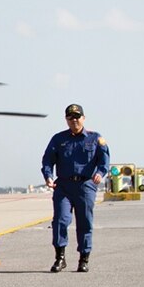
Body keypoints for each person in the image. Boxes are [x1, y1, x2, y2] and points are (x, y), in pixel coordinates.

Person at [41, 103, 108, 273]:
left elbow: (104, 160)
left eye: (77, 117)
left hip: (86, 186)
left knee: (84, 222)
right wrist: (48, 176)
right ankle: (60, 258)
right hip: (63, 185)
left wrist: (100, 173)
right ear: (66, 120)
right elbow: (48, 160)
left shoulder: (95, 138)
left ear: (83, 118)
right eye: (70, 118)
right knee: (60, 220)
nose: (74, 120)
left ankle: (84, 258)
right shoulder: (58, 139)